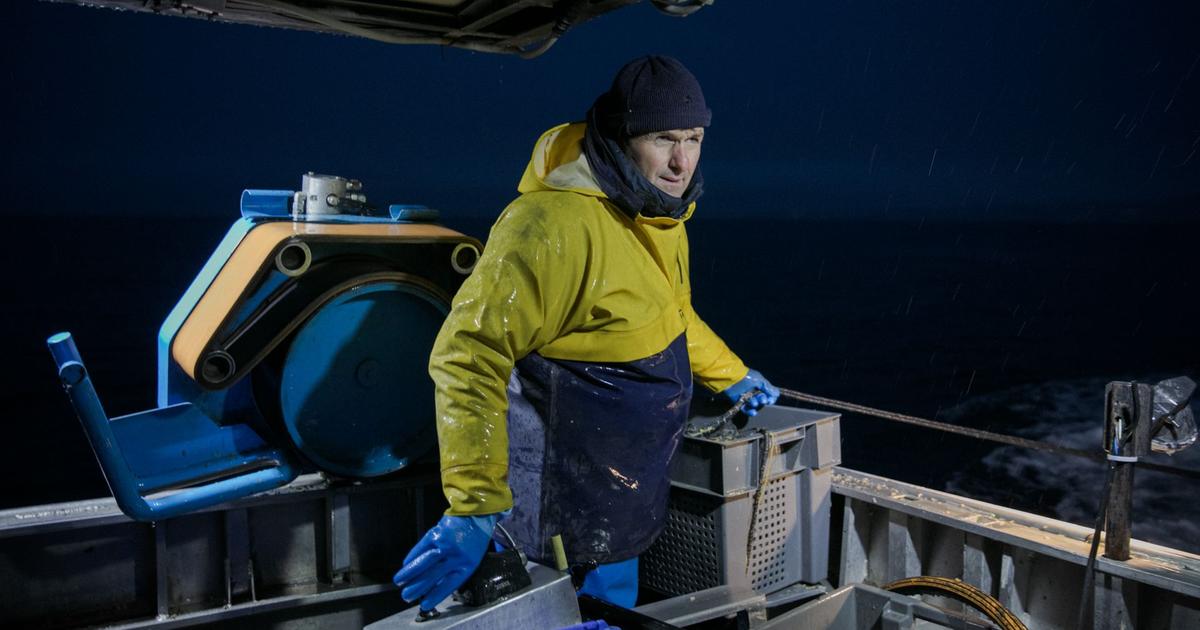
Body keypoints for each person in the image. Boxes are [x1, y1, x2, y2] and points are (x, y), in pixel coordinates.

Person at [392, 55, 779, 612]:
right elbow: (468, 355)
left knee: (610, 611)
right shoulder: (549, 226)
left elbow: (669, 314)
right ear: (623, 139)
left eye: (693, 138)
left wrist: (733, 374)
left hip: (622, 497)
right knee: (562, 614)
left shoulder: (659, 215)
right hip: (559, 503)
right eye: (663, 138)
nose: (680, 161)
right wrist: (475, 503)